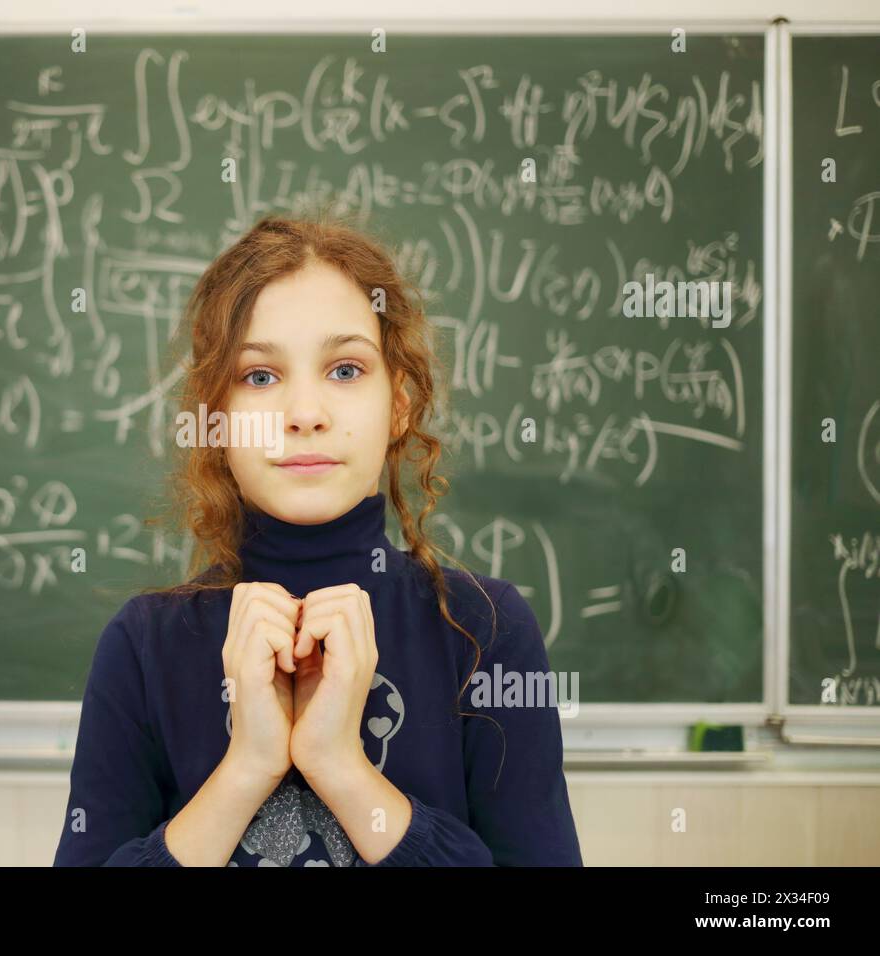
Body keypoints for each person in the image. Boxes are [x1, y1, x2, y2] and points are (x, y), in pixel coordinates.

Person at [53, 214, 582, 866]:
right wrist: (248, 765)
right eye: (260, 376)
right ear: (216, 418)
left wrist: (340, 765)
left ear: (399, 403)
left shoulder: (486, 632)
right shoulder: (143, 646)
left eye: (346, 369)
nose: (305, 414)